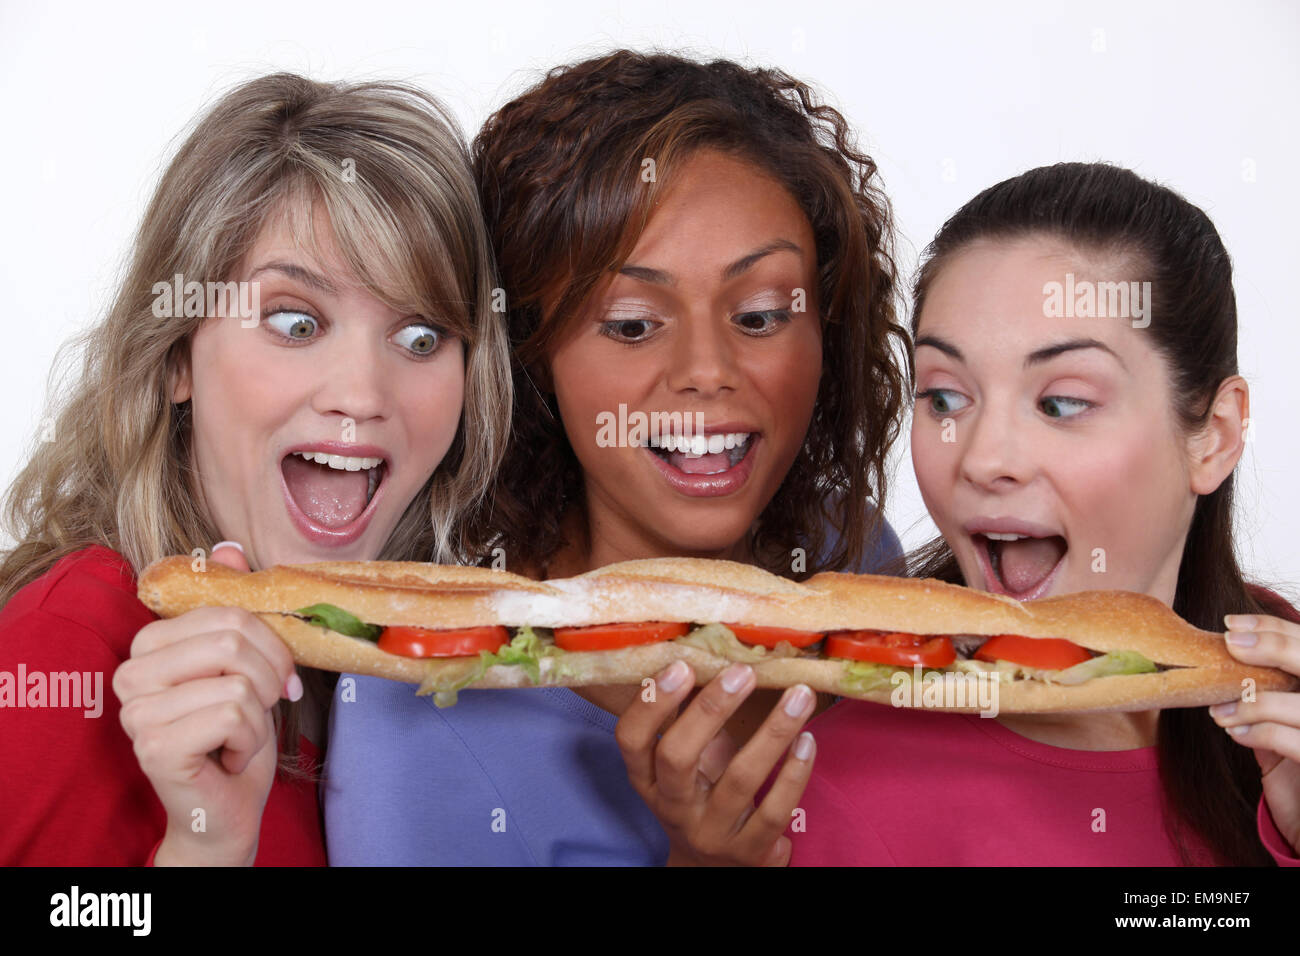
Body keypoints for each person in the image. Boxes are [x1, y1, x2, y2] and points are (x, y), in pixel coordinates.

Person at [614, 161, 1300, 866]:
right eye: (945, 398)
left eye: (1061, 402)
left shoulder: (1286, 682)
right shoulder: (844, 784)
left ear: (1214, 436)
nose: (982, 458)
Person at [323, 50, 908, 865]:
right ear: (534, 358)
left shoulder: (856, 558)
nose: (707, 370)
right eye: (631, 324)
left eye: (764, 314)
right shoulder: (417, 697)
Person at [0, 73, 511, 865]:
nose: (361, 395)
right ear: (178, 360)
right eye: (294, 321)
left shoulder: (408, 676)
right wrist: (208, 845)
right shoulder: (61, 655)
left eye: (419, 339)